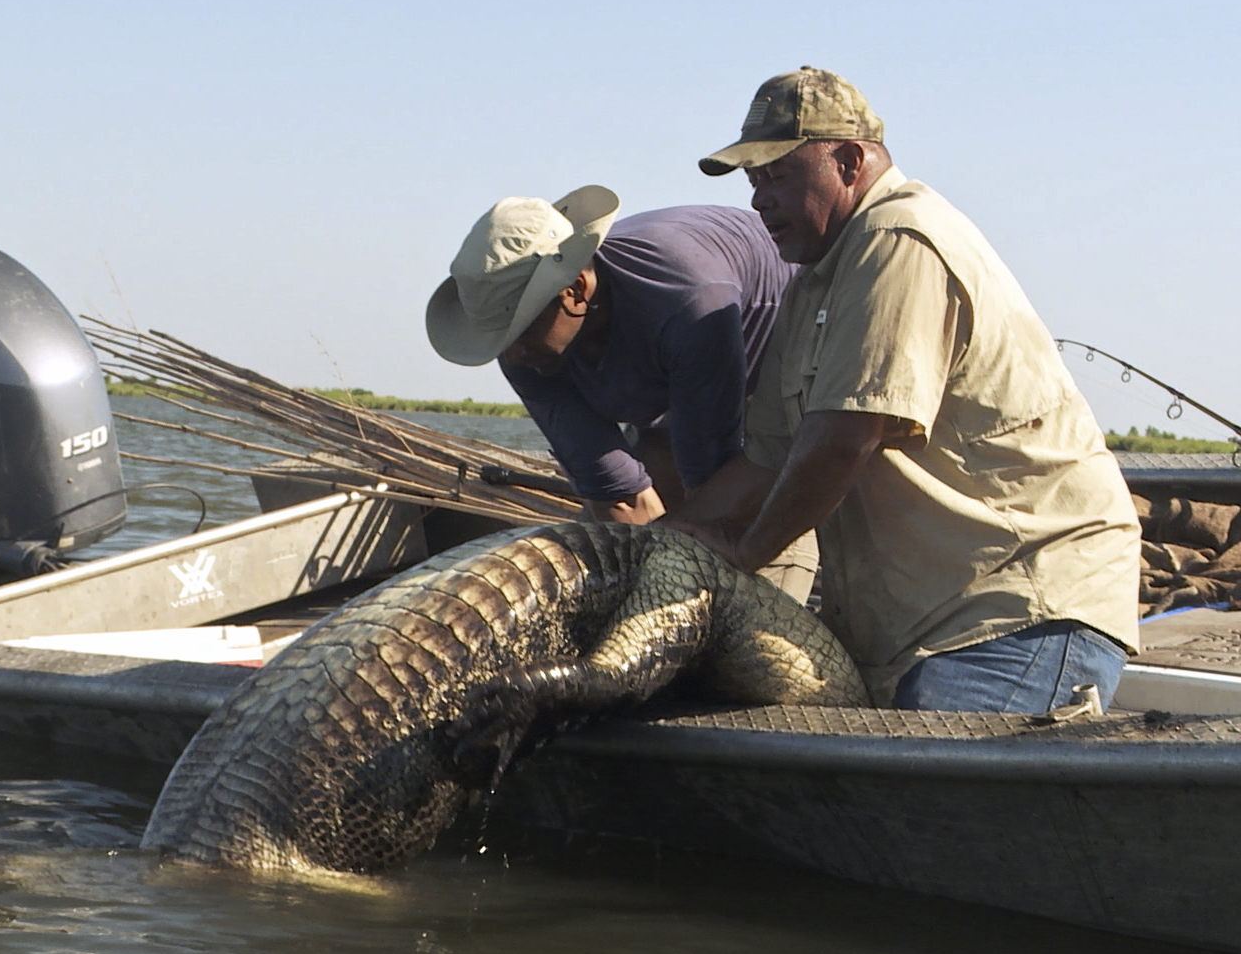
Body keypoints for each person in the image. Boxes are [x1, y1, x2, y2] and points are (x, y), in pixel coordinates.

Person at [663, 67, 1140, 712]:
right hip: (922, 629)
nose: (758, 202)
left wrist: (737, 561)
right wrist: (657, 544)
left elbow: (840, 440)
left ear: (850, 161)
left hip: (1021, 609)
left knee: (934, 781)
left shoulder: (898, 239)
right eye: (752, 182)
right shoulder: (813, 283)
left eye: (775, 176)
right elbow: (766, 460)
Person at [425, 186, 806, 578]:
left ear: (574, 291)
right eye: (501, 340)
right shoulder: (525, 354)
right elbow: (618, 494)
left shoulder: (689, 303)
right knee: (616, 559)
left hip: (783, 349)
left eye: (520, 332)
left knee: (742, 549)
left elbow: (715, 493)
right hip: (672, 376)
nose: (513, 356)